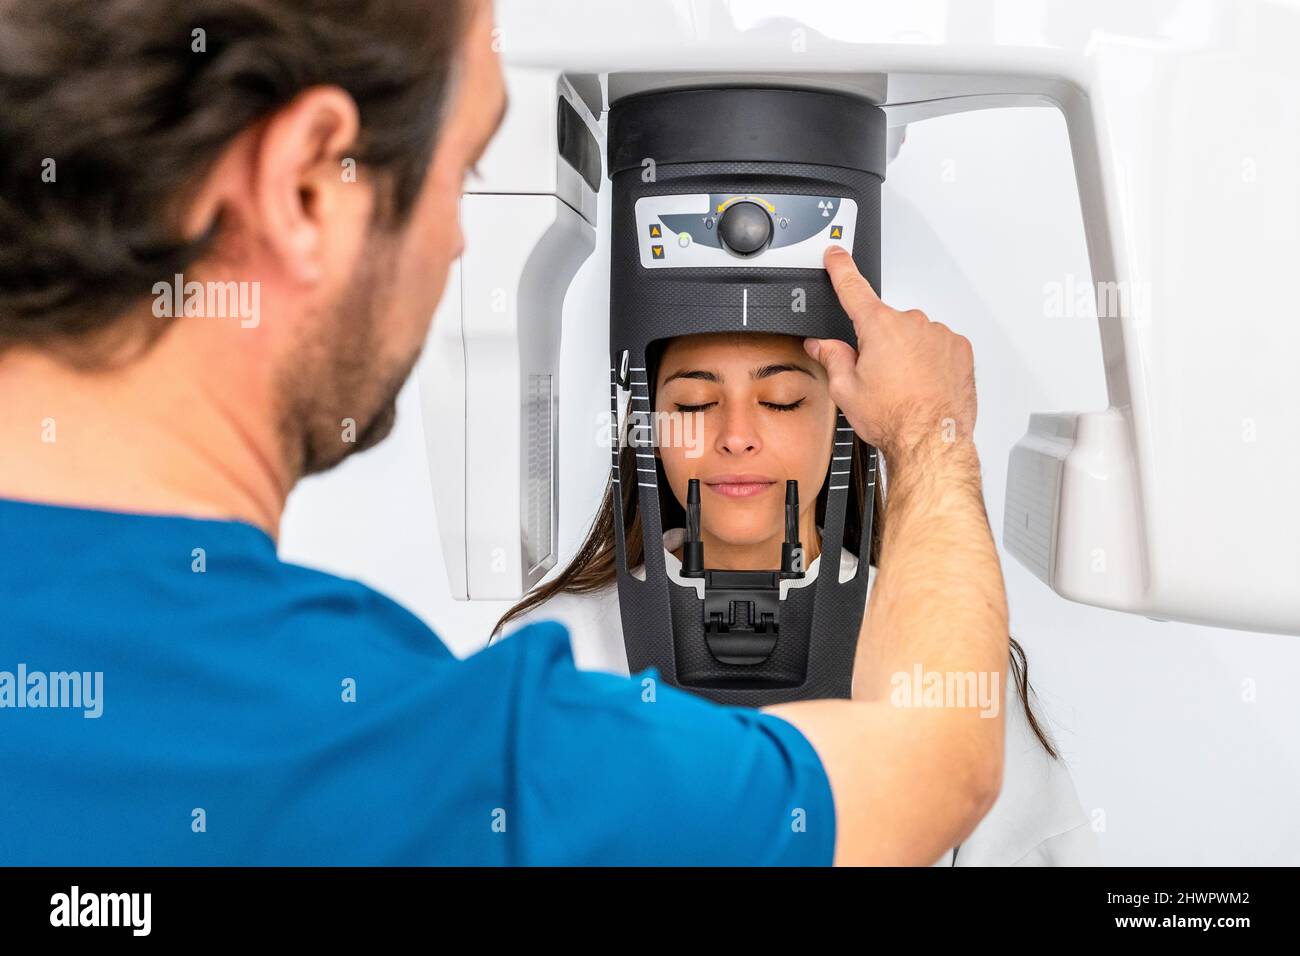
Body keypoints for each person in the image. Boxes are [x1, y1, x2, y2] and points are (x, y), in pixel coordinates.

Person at [1, 0, 1004, 865]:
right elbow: (938, 761)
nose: (459, 239)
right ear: (307, 186)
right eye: (461, 170)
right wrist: (931, 427)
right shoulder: (428, 755)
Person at [494, 331, 1100, 865]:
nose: (736, 436)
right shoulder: (549, 648)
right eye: (695, 404)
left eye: (781, 401)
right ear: (647, 426)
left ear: (845, 418)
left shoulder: (938, 647)